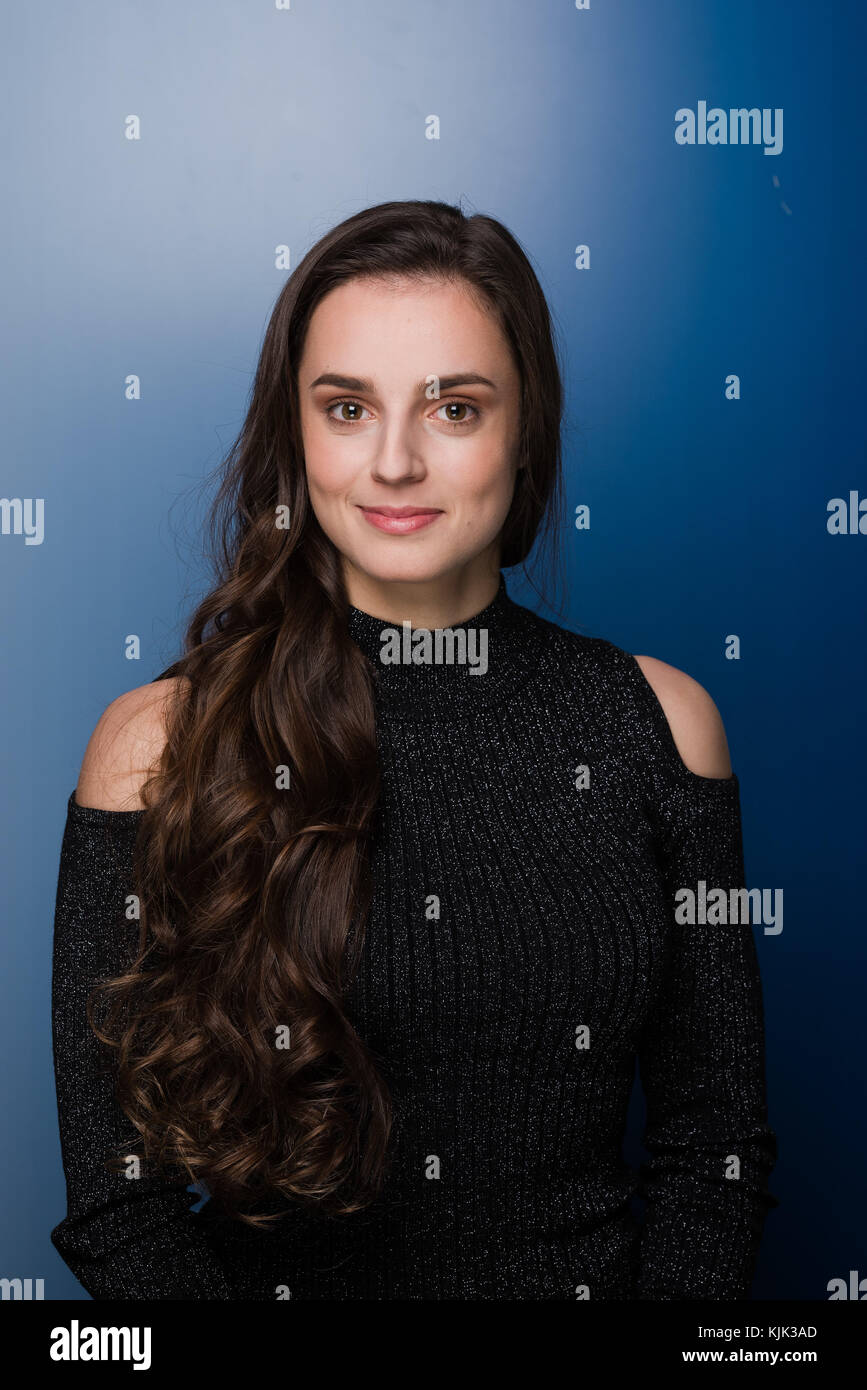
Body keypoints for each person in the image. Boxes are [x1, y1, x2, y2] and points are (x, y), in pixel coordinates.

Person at [50, 199, 777, 1300]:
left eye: (454, 406)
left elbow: (714, 1154)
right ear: (294, 432)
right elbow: (120, 1206)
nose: (394, 461)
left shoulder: (663, 727)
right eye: (346, 407)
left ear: (525, 427)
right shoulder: (156, 745)